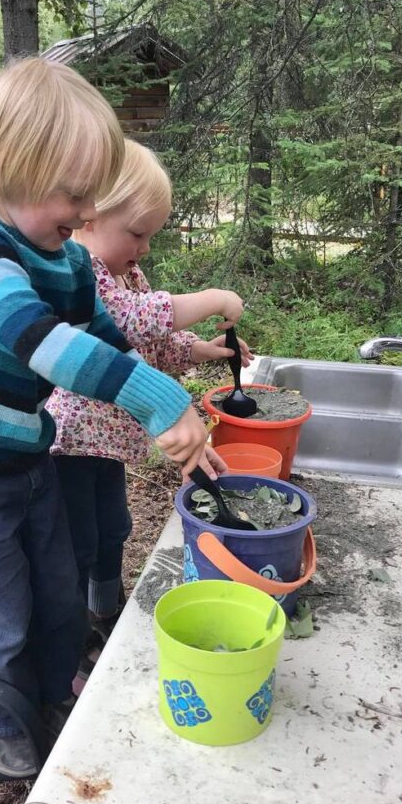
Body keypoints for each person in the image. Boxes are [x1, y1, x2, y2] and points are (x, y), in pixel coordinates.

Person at [0, 59, 228, 778]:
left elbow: (102, 340)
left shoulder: (66, 260)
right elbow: (39, 341)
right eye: (74, 194)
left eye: (91, 199)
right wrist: (155, 400)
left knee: (57, 598)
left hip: (27, 460)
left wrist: (159, 394)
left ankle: (52, 697)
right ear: (3, 167)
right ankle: (2, 720)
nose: (86, 215)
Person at [50, 140, 251, 677]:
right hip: (71, 442)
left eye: (151, 235)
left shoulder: (126, 274)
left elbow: (148, 341)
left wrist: (201, 349)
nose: (143, 246)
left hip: (109, 441)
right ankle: (68, 641)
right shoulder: (81, 271)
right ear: (90, 219)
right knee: (79, 541)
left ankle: (103, 613)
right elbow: (131, 321)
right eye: (136, 232)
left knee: (114, 527)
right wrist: (209, 298)